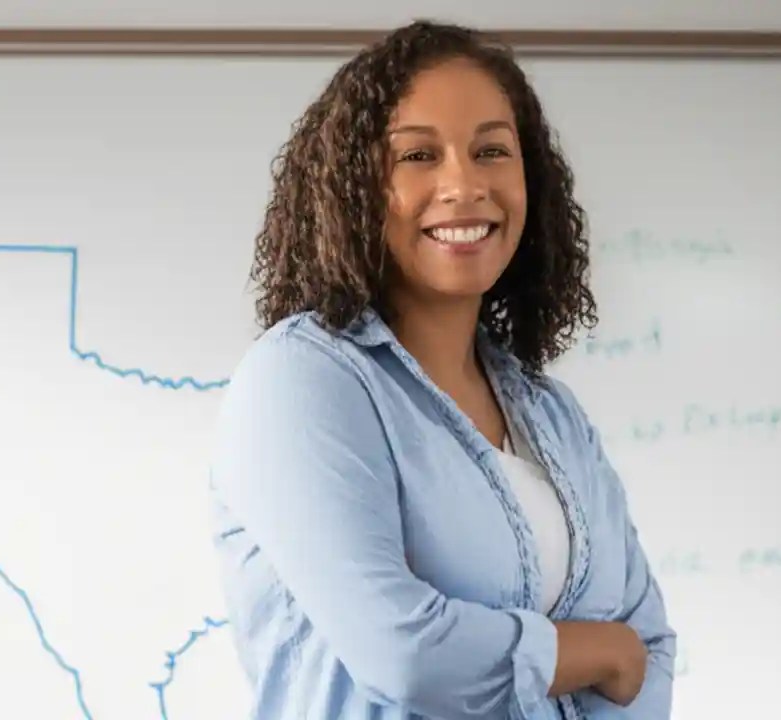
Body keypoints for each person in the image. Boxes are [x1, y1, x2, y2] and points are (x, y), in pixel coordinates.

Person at [208, 20, 675, 720]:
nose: (464, 184)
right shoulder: (302, 380)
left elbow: (651, 650)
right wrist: (599, 653)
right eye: (419, 155)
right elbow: (407, 657)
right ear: (354, 188)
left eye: (492, 150)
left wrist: (617, 652)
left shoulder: (553, 415)